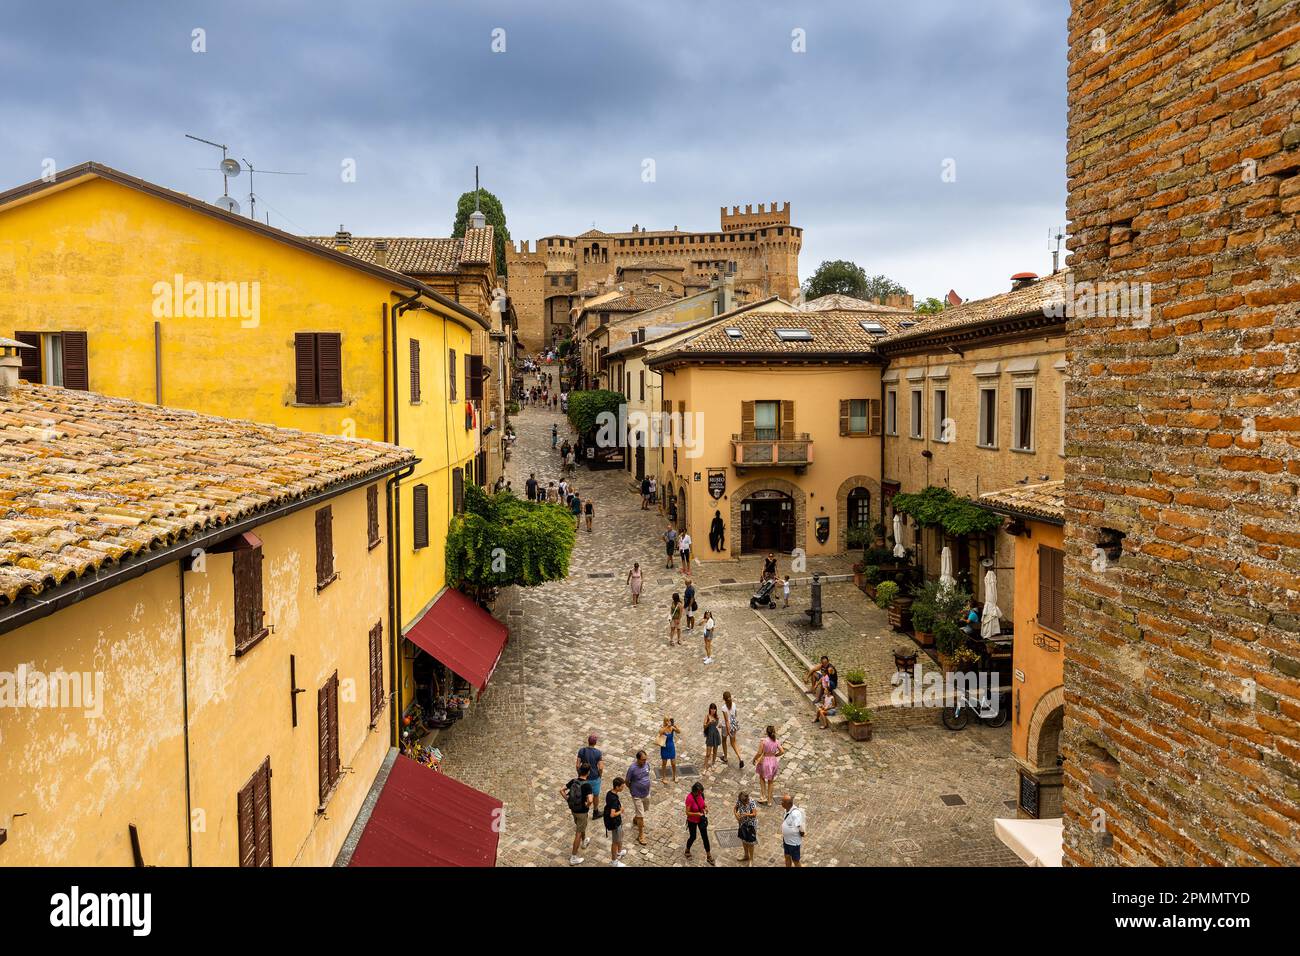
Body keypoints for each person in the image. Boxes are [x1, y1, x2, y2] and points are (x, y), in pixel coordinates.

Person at [562, 763, 594, 865]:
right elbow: (590, 800)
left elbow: (561, 790)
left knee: (580, 826)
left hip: (574, 810)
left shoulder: (573, 781)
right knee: (578, 833)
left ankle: (584, 842)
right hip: (582, 812)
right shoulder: (587, 785)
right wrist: (587, 805)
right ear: (588, 772)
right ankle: (573, 857)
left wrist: (567, 799)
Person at [625, 751, 653, 846]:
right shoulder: (632, 769)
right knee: (641, 815)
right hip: (637, 795)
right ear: (638, 759)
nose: (645, 761)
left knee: (644, 810)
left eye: (645, 759)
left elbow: (647, 774)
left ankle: (636, 818)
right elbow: (627, 781)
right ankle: (641, 835)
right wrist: (633, 789)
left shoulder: (647, 765)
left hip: (646, 793)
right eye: (643, 760)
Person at [684, 781, 714, 864]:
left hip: (701, 819)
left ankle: (709, 855)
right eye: (699, 792)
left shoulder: (701, 795)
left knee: (705, 837)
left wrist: (706, 807)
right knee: (693, 837)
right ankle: (687, 850)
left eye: (701, 792)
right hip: (692, 820)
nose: (701, 793)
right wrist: (696, 814)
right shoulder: (689, 798)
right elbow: (687, 812)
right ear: (695, 791)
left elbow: (703, 804)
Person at [754, 725, 785, 805]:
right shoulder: (776, 741)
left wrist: (754, 758)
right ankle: (769, 801)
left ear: (766, 732)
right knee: (771, 781)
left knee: (762, 777)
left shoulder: (763, 741)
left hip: (765, 761)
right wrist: (775, 755)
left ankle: (763, 796)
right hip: (773, 762)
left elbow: (759, 753)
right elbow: (782, 751)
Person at [577, 734, 605, 819]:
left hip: (584, 778)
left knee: (584, 795)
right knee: (595, 795)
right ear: (595, 743)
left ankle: (583, 812)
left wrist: (580, 774)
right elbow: (600, 767)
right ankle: (595, 812)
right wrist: (600, 775)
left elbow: (577, 765)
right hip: (594, 778)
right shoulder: (598, 753)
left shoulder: (582, 751)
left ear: (588, 741)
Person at [604, 777, 627, 866]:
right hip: (614, 823)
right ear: (617, 787)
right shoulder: (613, 799)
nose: (623, 788)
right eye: (622, 786)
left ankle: (619, 852)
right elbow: (612, 814)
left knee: (620, 835)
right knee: (615, 842)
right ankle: (614, 861)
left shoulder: (610, 793)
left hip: (617, 822)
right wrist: (620, 811)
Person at [780, 794, 806, 867]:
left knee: (795, 860)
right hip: (786, 840)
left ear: (789, 804)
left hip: (794, 843)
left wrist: (802, 833)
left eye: (783, 802)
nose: (781, 802)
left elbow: (800, 826)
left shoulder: (795, 813)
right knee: (787, 857)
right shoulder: (787, 809)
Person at [719, 691, 743, 768]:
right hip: (734, 725)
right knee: (733, 743)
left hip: (726, 727)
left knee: (724, 741)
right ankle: (740, 758)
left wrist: (728, 731)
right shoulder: (734, 705)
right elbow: (735, 715)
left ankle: (725, 757)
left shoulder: (724, 708)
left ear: (723, 699)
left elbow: (726, 721)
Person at [734, 790, 758, 863]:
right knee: (744, 840)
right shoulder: (739, 801)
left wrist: (747, 814)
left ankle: (751, 859)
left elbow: (754, 814)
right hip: (742, 824)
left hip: (751, 825)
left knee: (750, 843)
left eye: (747, 800)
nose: (746, 802)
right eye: (744, 801)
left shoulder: (752, 802)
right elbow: (735, 808)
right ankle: (746, 855)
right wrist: (736, 815)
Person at [658, 716, 683, 782]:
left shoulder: (672, 728)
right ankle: (663, 777)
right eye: (667, 720)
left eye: (669, 720)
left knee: (673, 763)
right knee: (664, 763)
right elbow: (660, 732)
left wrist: (675, 725)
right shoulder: (663, 728)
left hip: (671, 746)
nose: (668, 722)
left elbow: (679, 731)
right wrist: (666, 726)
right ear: (664, 721)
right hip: (664, 747)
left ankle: (675, 775)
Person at [702, 703, 722, 771]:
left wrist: (719, 724)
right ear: (710, 709)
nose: (713, 710)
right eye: (712, 709)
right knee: (708, 753)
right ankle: (705, 767)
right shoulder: (707, 716)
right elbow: (704, 727)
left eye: (714, 709)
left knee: (715, 751)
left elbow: (716, 725)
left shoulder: (717, 717)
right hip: (710, 736)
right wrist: (709, 723)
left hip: (715, 735)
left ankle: (713, 763)